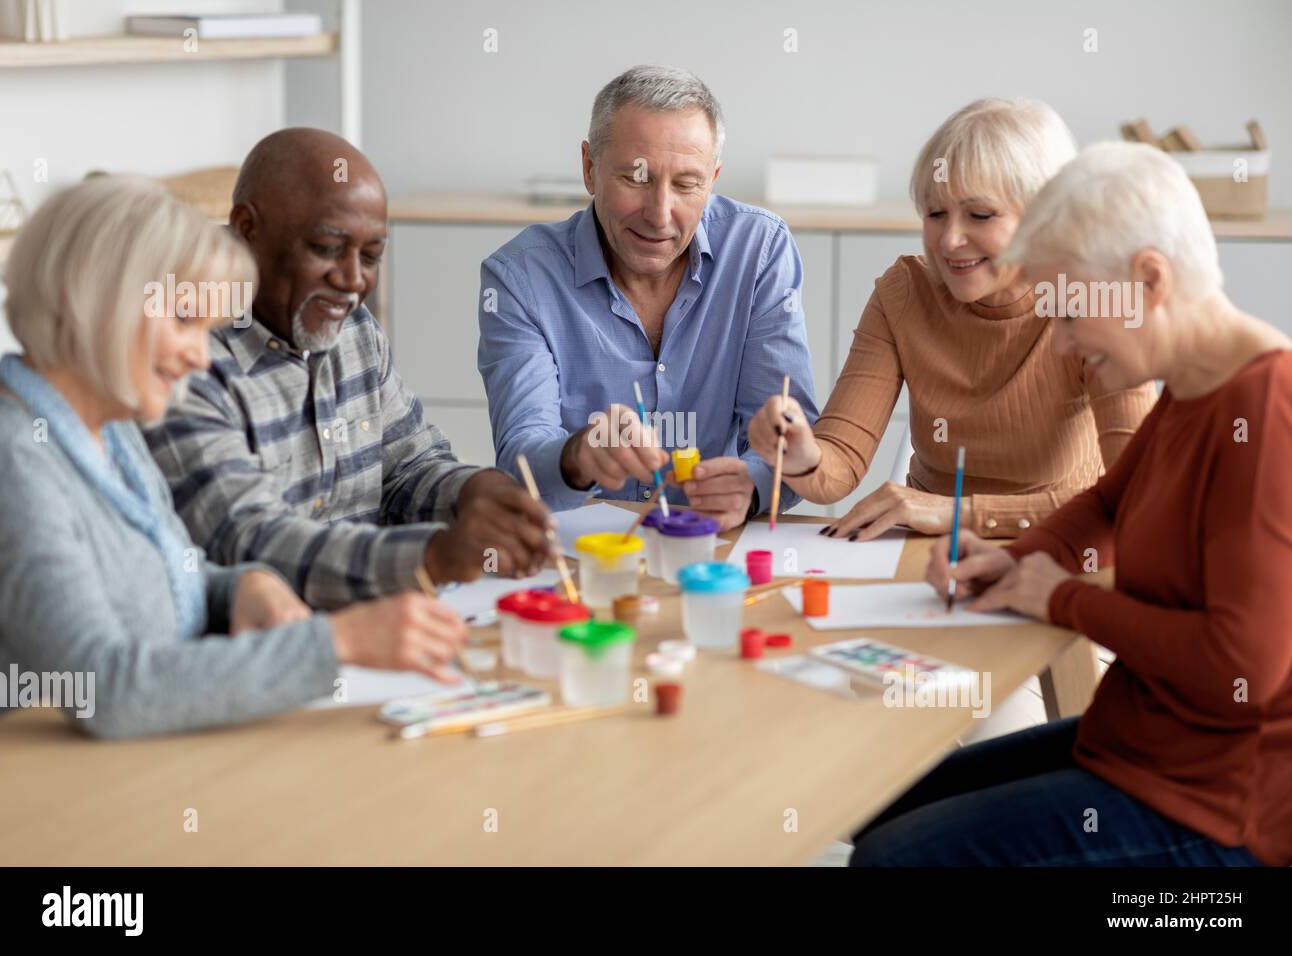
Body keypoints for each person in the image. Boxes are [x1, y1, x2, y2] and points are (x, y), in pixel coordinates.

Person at [852, 142, 1291, 866]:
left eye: (1069, 312)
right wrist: (1013, 563)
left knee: (896, 858)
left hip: (1219, 803)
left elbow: (1240, 667)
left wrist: (1063, 600)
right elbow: (1105, 506)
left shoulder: (1266, 413)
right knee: (886, 804)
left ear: (1148, 280)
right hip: (1145, 739)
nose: (1057, 342)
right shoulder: (1196, 389)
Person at [0, 177, 470, 739]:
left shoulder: (110, 430)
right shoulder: (14, 459)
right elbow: (104, 686)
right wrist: (341, 639)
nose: (201, 358)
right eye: (185, 321)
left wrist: (243, 585)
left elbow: (162, 584)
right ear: (96, 302)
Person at [145, 129, 555, 610]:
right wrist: (432, 557)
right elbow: (246, 540)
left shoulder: (353, 329)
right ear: (246, 228)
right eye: (325, 247)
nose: (353, 279)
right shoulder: (184, 353)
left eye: (371, 256)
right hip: (273, 643)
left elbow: (410, 468)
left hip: (383, 624)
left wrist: (475, 491)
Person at [749, 99, 1156, 541]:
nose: (950, 240)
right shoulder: (904, 294)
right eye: (935, 213)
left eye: (980, 215)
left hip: (1059, 545)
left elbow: (1136, 494)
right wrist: (803, 455)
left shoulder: (1099, 302)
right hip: (926, 553)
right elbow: (839, 465)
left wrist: (958, 513)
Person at [478, 65, 819, 530]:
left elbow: (796, 445)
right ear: (589, 169)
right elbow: (519, 464)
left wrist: (755, 484)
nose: (660, 215)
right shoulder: (520, 277)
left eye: (686, 184)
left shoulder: (759, 251)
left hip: (710, 547)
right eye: (636, 178)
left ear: (713, 179)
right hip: (584, 553)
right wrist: (578, 456)